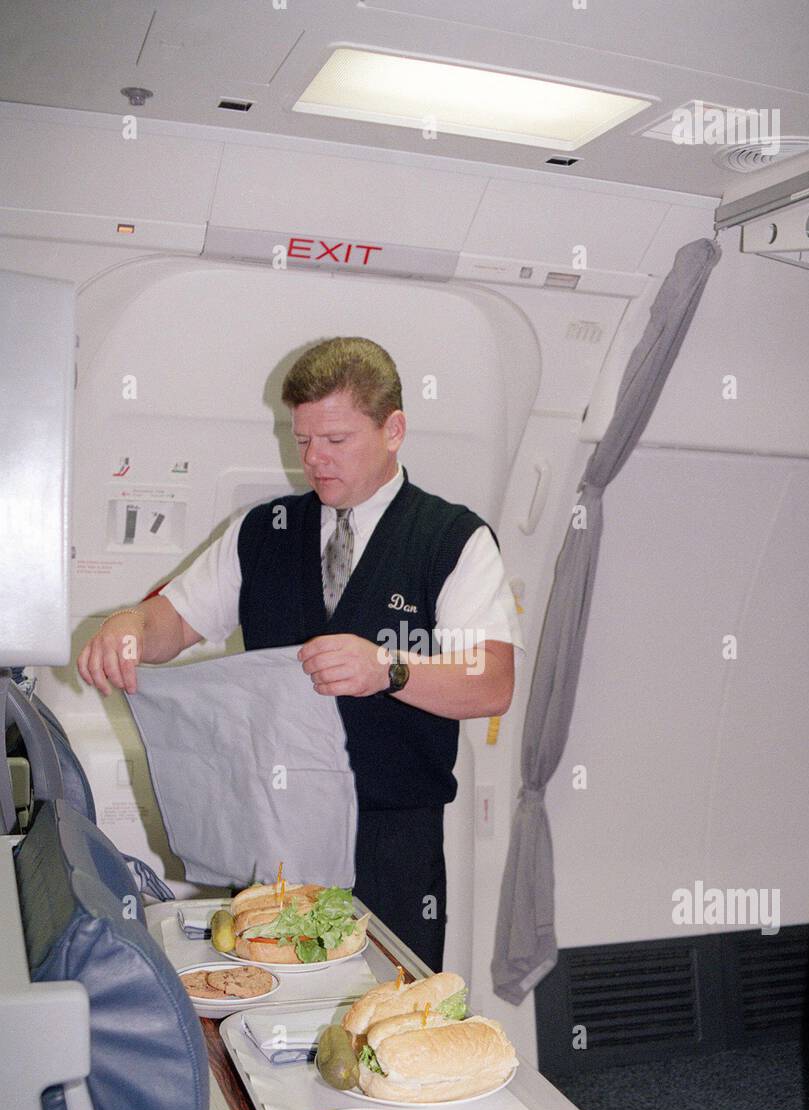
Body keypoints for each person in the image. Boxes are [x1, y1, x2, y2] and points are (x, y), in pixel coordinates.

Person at [78, 336, 525, 971]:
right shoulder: (264, 530)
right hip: (275, 825)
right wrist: (126, 625)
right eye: (303, 440)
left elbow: (492, 681)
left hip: (390, 836)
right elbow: (173, 621)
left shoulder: (452, 538)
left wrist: (386, 668)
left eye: (336, 440)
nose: (314, 460)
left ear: (393, 429)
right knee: (267, 1002)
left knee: (385, 1006)